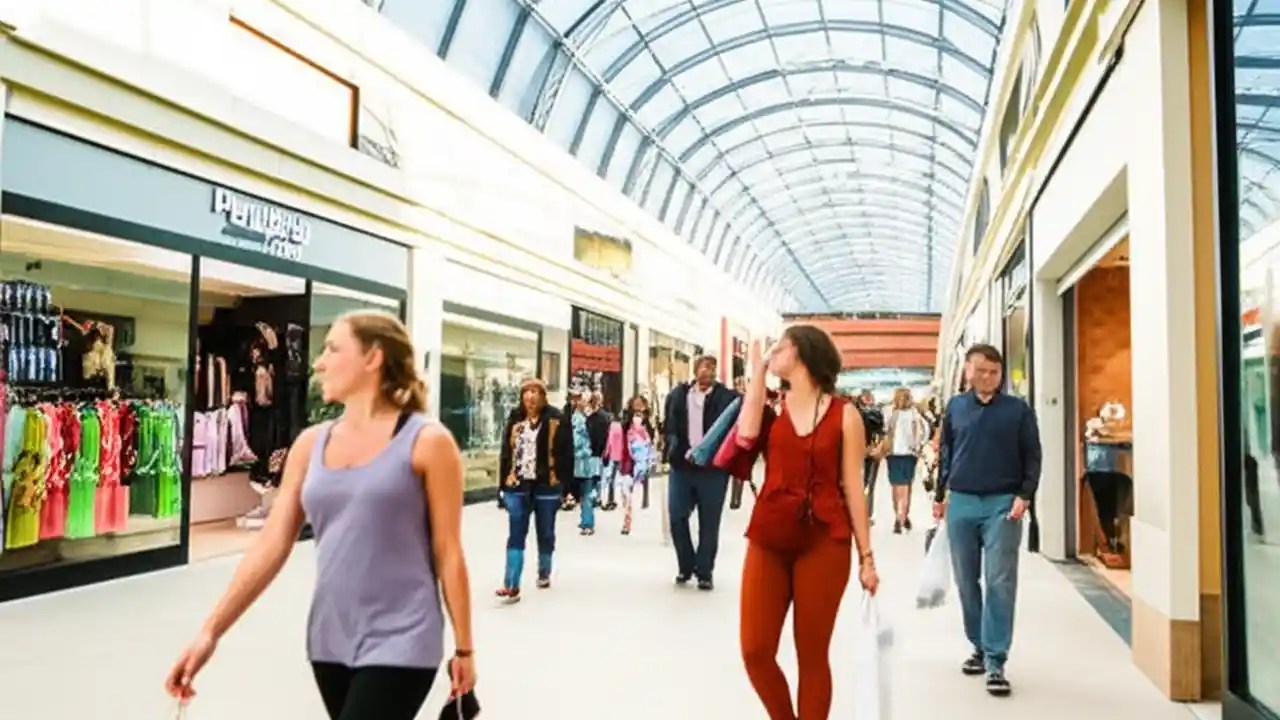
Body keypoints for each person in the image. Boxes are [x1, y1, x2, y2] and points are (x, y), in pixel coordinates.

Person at [164, 310, 476, 719]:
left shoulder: (428, 443)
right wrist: (211, 631)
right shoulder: (310, 444)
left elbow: (448, 551)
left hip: (404, 636)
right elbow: (272, 543)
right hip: (330, 639)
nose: (318, 362)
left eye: (332, 348)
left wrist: (464, 648)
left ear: (373, 357)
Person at [737, 328, 879, 720]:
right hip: (769, 534)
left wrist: (867, 557)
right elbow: (746, 436)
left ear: (802, 353)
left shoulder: (844, 414)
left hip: (825, 539)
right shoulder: (771, 407)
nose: (773, 353)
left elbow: (853, 487)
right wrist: (756, 370)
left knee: (812, 654)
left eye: (779, 347)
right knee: (755, 651)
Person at [934, 343, 1042, 697]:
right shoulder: (955, 407)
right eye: (981, 371)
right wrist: (939, 495)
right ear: (967, 371)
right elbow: (947, 454)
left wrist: (1025, 495)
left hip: (1003, 504)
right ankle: (978, 645)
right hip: (962, 500)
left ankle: (996, 659)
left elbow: (1033, 455)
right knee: (966, 579)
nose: (988, 377)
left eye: (994, 372)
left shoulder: (1018, 410)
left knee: (1000, 579)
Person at [663, 355, 738, 590]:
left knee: (709, 521)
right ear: (695, 370)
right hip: (682, 467)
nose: (708, 371)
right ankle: (686, 565)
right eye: (704, 367)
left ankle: (705, 571)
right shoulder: (678, 395)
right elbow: (669, 424)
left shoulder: (727, 398)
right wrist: (671, 447)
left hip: (712, 469)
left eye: (713, 367)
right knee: (676, 516)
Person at [496, 378, 573, 601]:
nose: (530, 396)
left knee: (545, 531)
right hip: (518, 484)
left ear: (543, 395)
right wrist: (501, 486)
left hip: (547, 485)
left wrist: (568, 488)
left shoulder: (556, 419)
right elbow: (505, 453)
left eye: (535, 392)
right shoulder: (515, 418)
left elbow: (567, 455)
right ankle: (511, 583)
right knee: (516, 533)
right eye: (526, 392)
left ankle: (544, 571)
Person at [885, 387, 927, 533]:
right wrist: (919, 445)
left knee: (896, 487)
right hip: (910, 454)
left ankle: (898, 516)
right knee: (906, 487)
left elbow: (884, 430)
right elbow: (925, 430)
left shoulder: (890, 412)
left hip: (893, 454)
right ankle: (903, 516)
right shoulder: (914, 414)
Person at [619, 395, 656, 536]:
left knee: (634, 488)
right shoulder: (626, 422)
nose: (638, 406)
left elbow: (651, 441)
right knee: (625, 490)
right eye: (636, 404)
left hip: (641, 462)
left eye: (641, 404)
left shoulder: (648, 424)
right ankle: (627, 518)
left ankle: (639, 505)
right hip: (628, 460)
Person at [856, 389, 886, 522]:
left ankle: (864, 513)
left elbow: (880, 433)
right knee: (866, 483)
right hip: (866, 451)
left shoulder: (854, 412)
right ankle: (864, 513)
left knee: (867, 483)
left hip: (866, 452)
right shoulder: (875, 413)